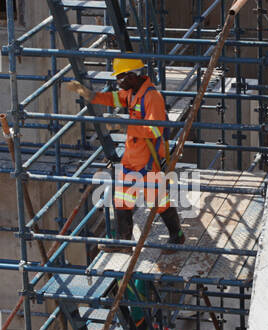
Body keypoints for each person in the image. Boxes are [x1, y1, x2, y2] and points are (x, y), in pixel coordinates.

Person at [70, 57, 186, 247]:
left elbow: (156, 130)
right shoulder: (132, 92)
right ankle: (124, 242)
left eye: (121, 77)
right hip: (132, 157)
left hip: (149, 160)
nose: (118, 82)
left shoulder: (152, 97)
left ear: (133, 75)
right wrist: (90, 95)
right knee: (122, 200)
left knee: (158, 202)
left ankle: (177, 235)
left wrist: (125, 127)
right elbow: (113, 98)